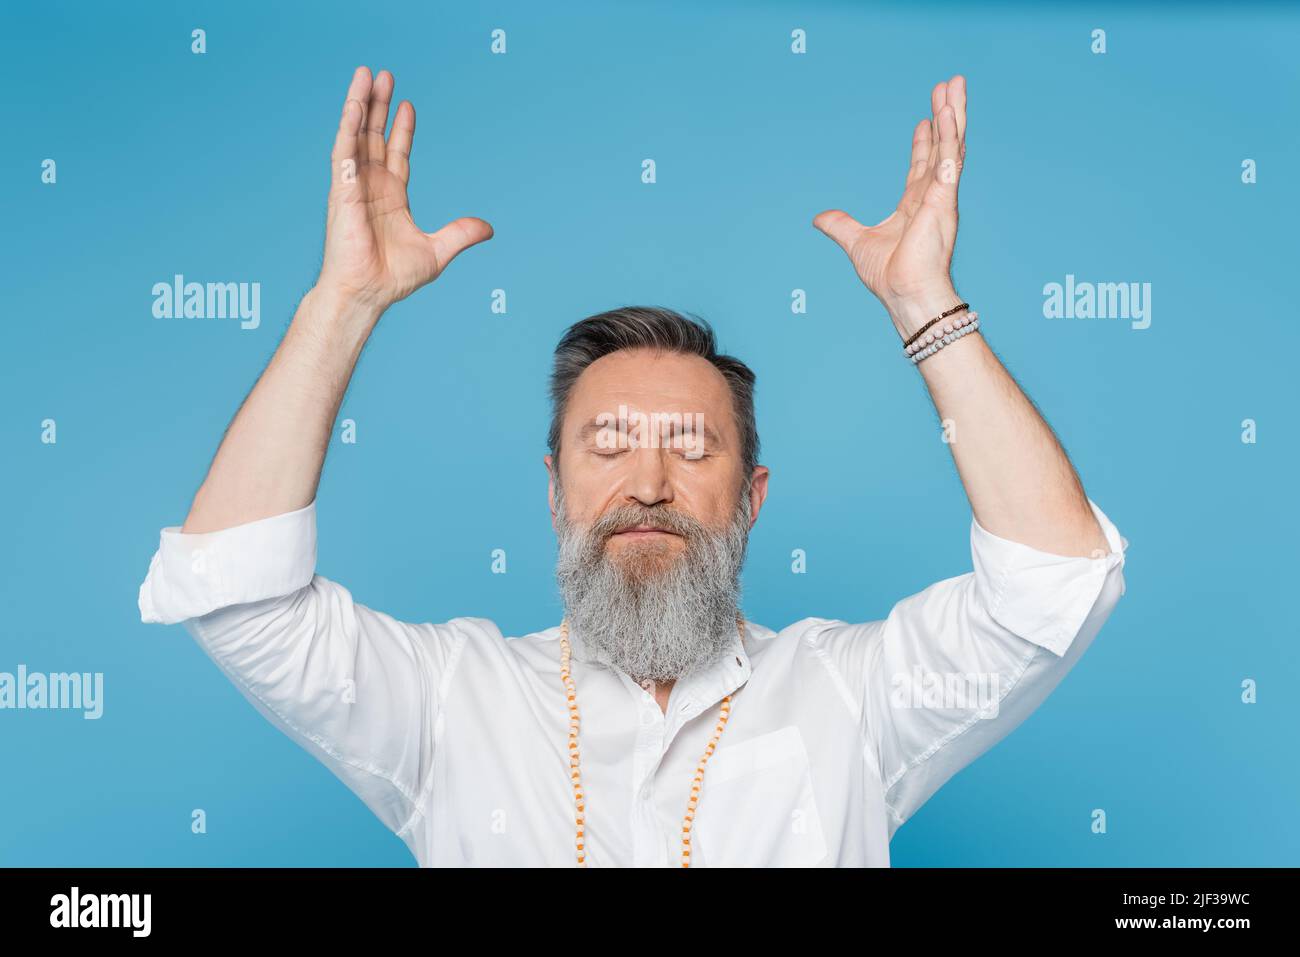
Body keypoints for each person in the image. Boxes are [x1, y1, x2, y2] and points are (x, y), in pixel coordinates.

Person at [138, 67, 1127, 867]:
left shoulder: (850, 694)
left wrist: (923, 307)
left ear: (752, 498)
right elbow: (238, 594)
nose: (646, 482)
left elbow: (1054, 587)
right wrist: (341, 306)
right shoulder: (451, 700)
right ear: (553, 488)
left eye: (690, 448)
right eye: (606, 447)